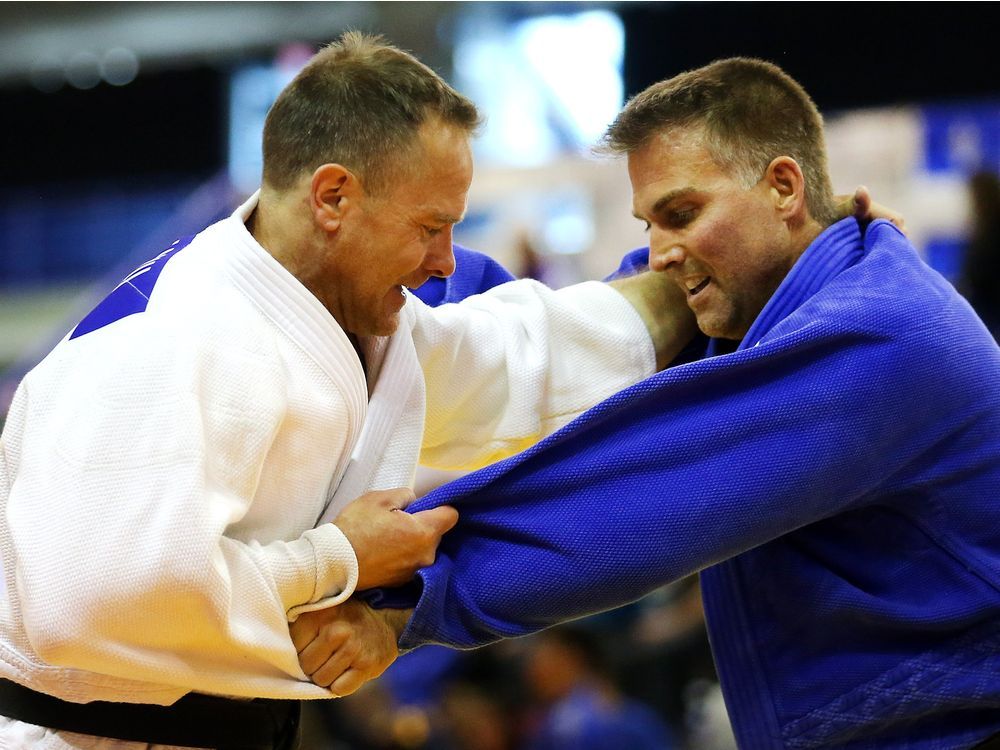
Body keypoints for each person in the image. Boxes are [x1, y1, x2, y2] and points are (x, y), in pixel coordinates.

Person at [0, 33, 700, 750]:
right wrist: (337, 560)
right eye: (430, 227)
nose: (446, 261)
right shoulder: (164, 343)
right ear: (333, 196)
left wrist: (686, 283)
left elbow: (515, 356)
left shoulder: (352, 321)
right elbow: (88, 603)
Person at [310, 58, 1000, 748]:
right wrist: (339, 286)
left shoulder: (875, 336)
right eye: (649, 226)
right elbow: (548, 335)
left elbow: (630, 514)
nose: (661, 253)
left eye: (682, 214)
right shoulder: (772, 302)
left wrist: (401, 599)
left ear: (784, 187)